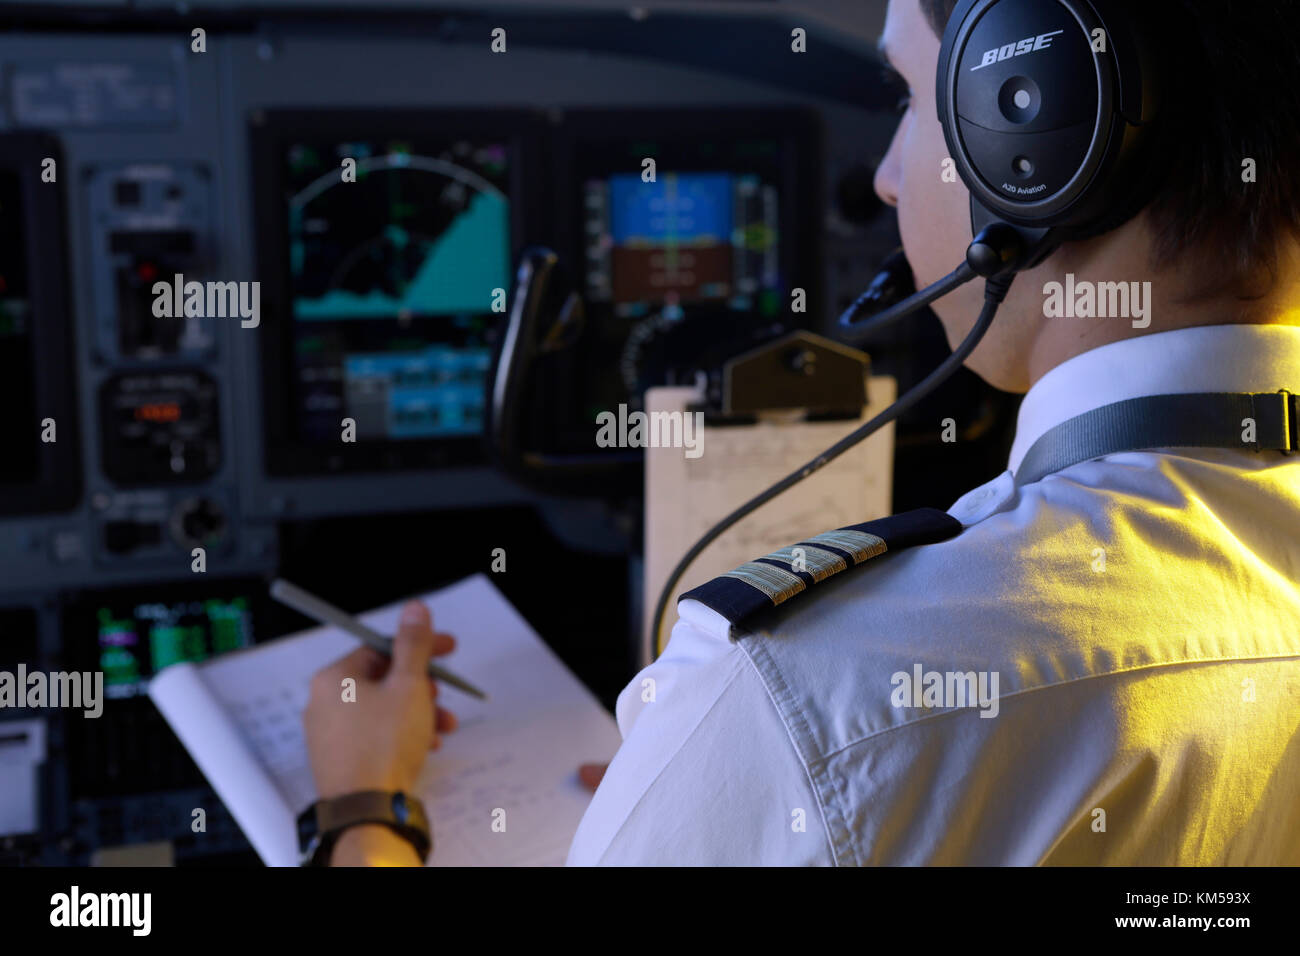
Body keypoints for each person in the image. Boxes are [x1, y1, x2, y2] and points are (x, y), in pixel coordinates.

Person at [302, 0, 1300, 865]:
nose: (883, 178)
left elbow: (842, 739)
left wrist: (366, 810)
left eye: (911, 98)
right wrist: (710, 788)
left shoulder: (810, 693)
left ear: (1033, 125)